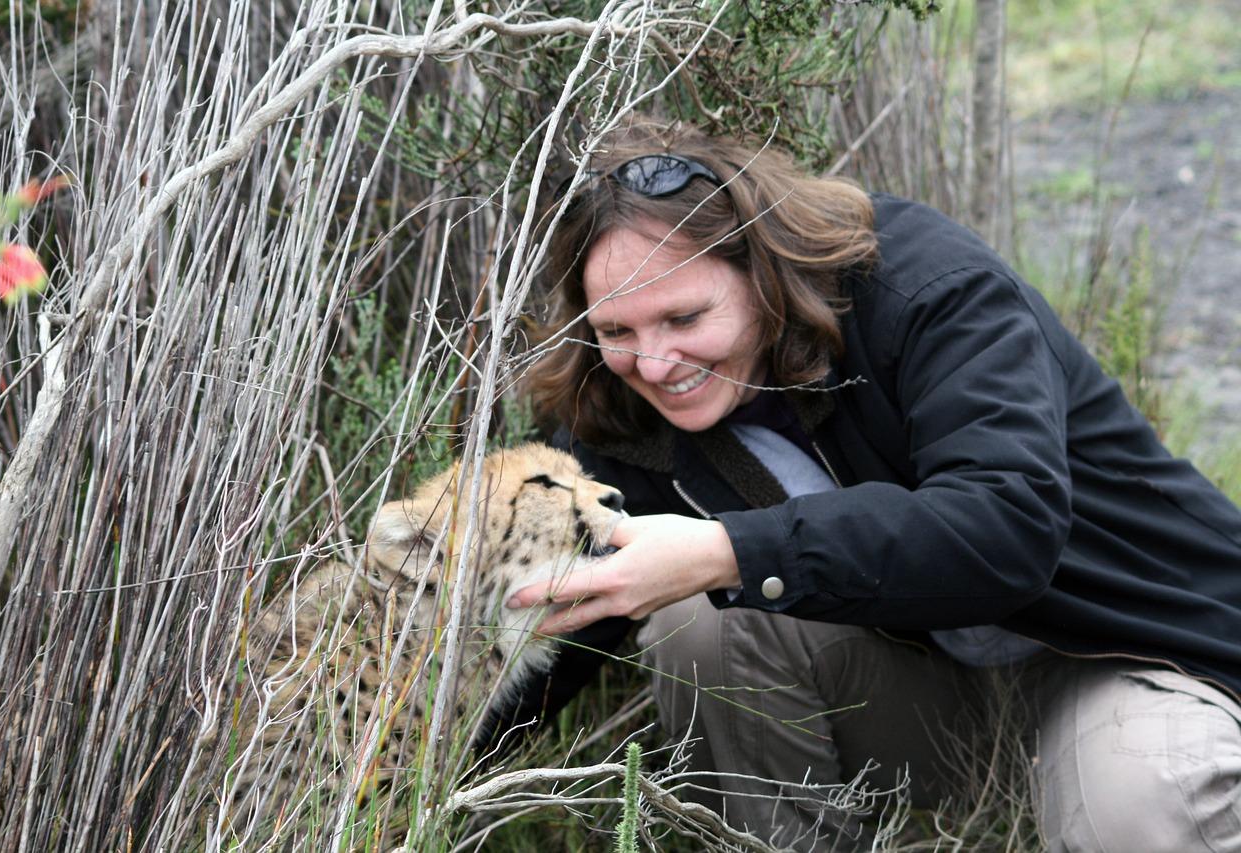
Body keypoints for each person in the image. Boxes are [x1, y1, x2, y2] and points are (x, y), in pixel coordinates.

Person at [508, 117, 1241, 851]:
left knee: (1146, 806)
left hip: (1121, 651)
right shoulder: (618, 403)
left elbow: (1006, 527)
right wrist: (443, 751)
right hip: (930, 694)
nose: (654, 362)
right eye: (617, 331)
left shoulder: (924, 287)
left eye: (684, 316)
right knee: (702, 626)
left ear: (760, 270)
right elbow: (561, 622)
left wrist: (729, 551)